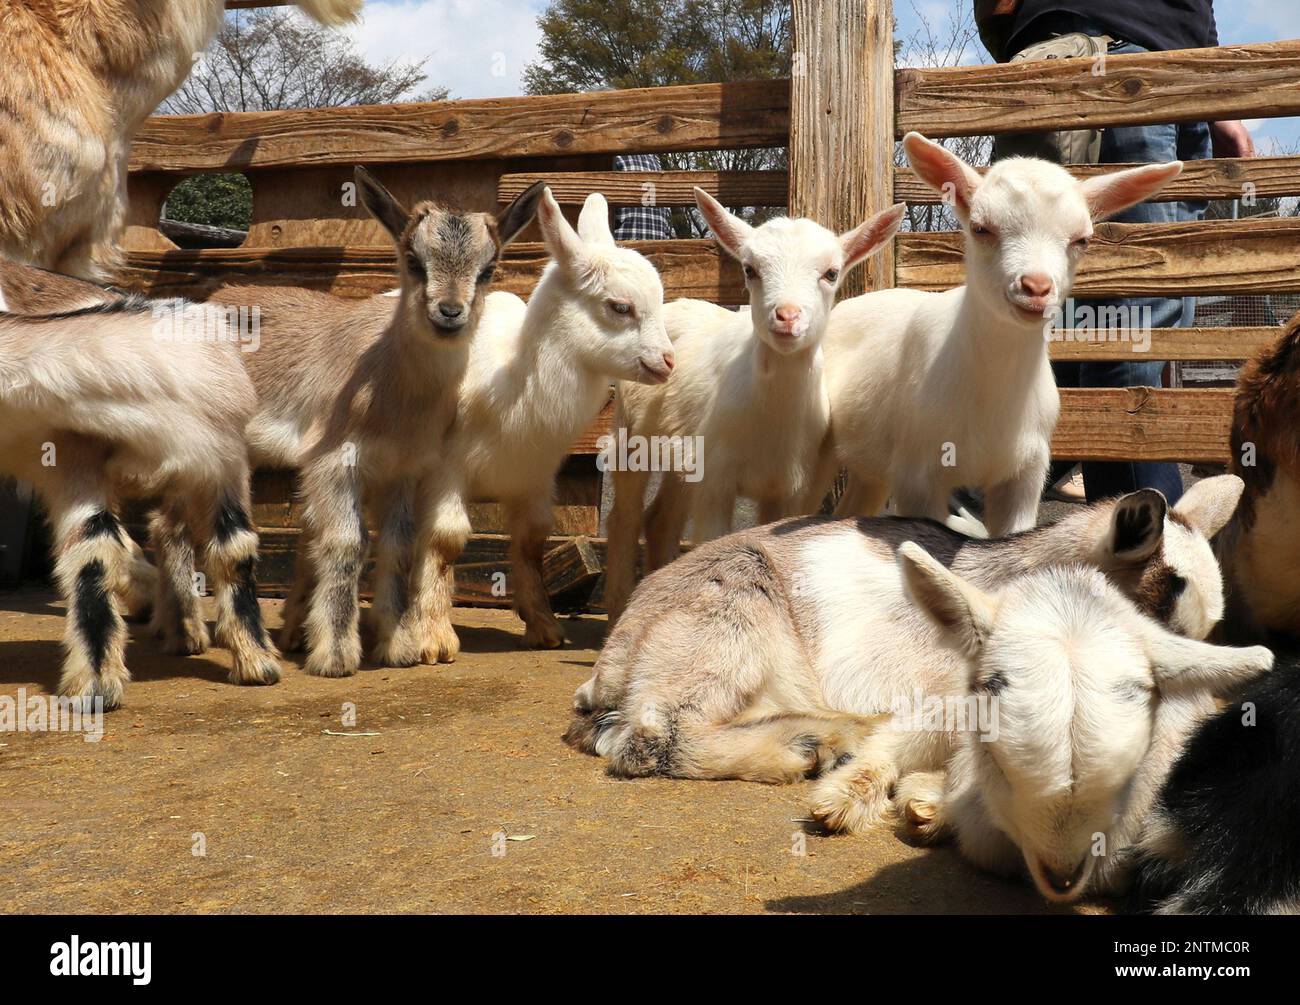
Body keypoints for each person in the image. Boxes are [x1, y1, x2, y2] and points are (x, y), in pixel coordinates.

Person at [977, 1, 1254, 506]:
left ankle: (981, 500)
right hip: (1113, 59)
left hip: (1168, 72)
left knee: (1125, 318)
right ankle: (1139, 548)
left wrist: (1217, 98)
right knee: (1127, 324)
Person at [611, 154, 674, 241]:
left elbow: (665, 212)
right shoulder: (616, 156)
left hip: (658, 247)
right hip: (623, 247)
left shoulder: (656, 160)